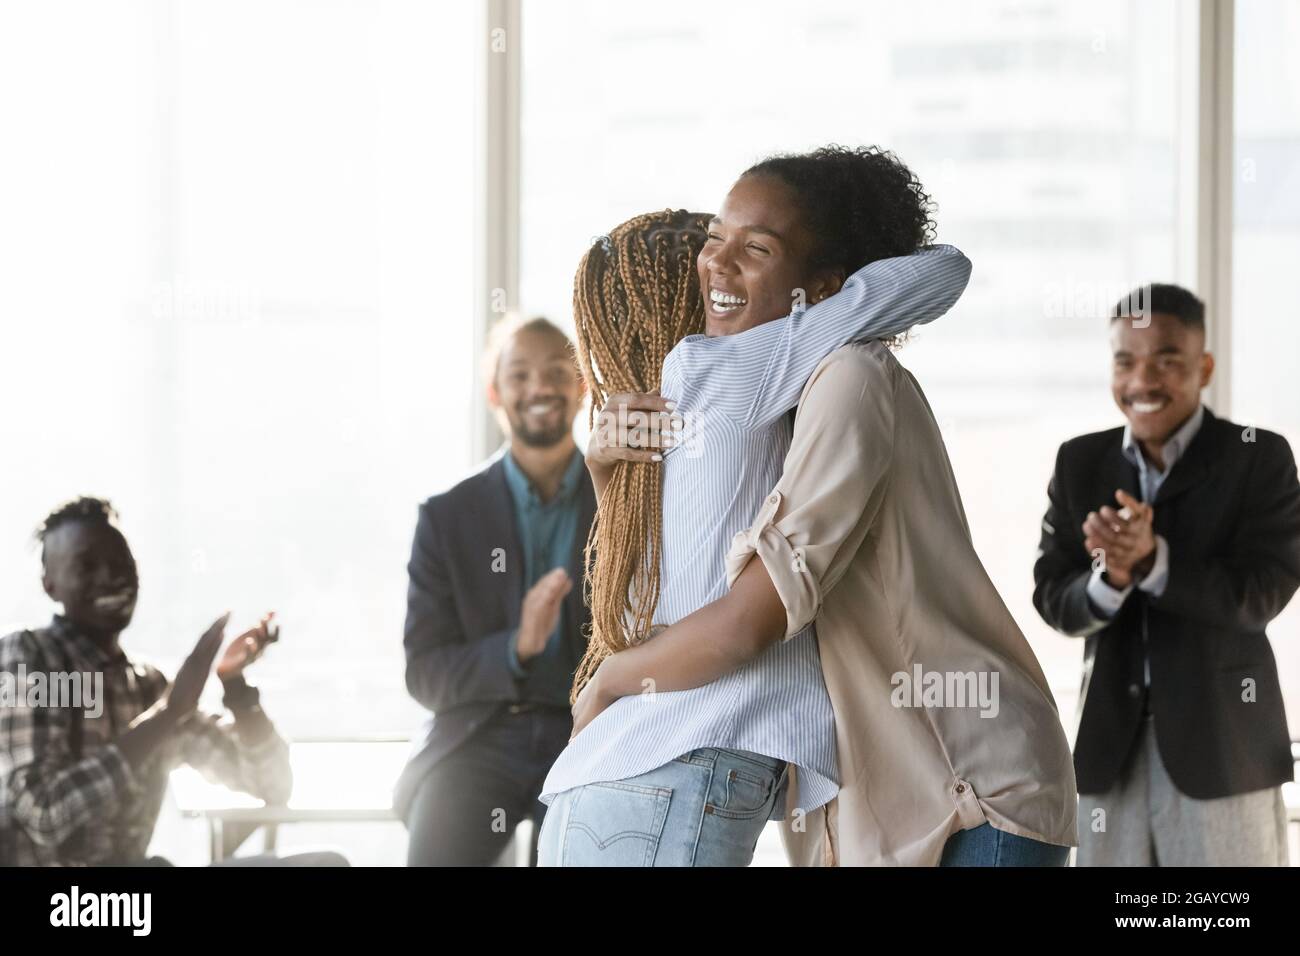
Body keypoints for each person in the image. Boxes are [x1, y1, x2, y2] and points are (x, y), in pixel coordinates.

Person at [547, 147, 1076, 867]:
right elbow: (664, 596)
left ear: (822, 288)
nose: (717, 265)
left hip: (964, 779)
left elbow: (746, 622)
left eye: (756, 248)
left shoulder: (844, 376)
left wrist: (610, 682)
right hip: (875, 799)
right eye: (713, 240)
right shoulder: (737, 402)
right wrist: (609, 468)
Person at [1033, 283, 1300, 866]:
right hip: (1110, 751)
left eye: (1167, 361)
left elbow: (1261, 594)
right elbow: (1054, 597)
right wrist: (1113, 577)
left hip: (1227, 752)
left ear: (1203, 367)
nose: (1142, 381)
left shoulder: (1259, 457)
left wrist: (1156, 560)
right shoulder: (1079, 461)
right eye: (1125, 360)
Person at [0, 497, 344, 866]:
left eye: (122, 561)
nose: (110, 575)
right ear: (51, 585)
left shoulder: (149, 685)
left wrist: (235, 686)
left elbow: (272, 785)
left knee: (327, 863)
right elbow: (45, 815)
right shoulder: (32, 657)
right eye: (87, 564)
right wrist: (167, 715)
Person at [395, 316, 597, 866]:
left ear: (582, 387)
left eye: (558, 371)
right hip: (478, 737)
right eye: (521, 374)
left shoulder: (622, 503)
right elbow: (425, 675)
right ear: (495, 393)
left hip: (589, 736)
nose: (540, 388)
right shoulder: (446, 517)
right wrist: (518, 647)